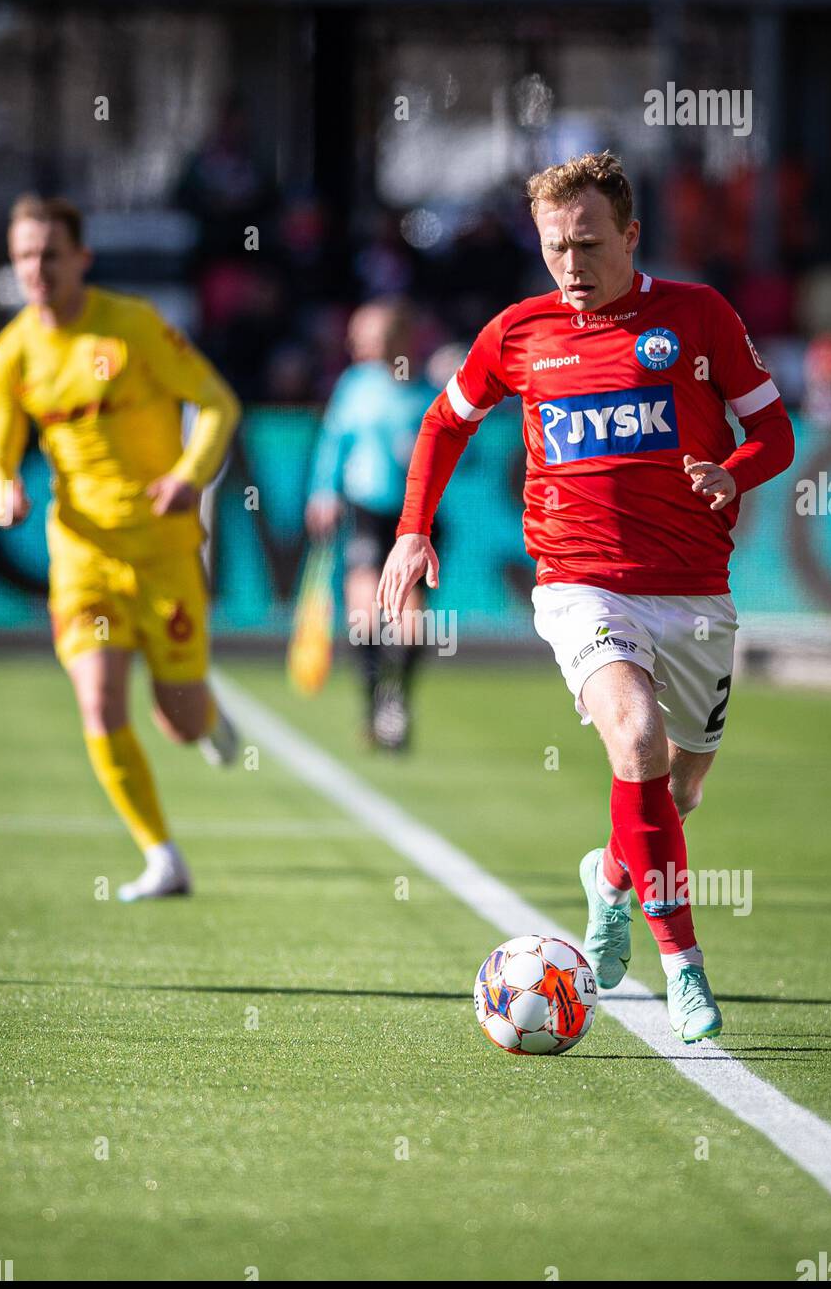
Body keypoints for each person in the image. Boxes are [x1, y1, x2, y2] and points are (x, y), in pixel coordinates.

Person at [377, 151, 795, 1042]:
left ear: (631, 235)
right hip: (579, 585)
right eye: (555, 247)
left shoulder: (697, 316)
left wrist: (731, 471)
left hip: (693, 594)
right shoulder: (519, 333)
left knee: (673, 793)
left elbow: (775, 430)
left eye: (588, 244)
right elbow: (445, 420)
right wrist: (413, 529)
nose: (570, 265)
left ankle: (609, 881)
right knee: (635, 738)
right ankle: (683, 968)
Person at [0, 195, 241, 901]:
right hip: (81, 555)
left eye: (49, 254)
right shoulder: (9, 356)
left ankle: (207, 718)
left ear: (80, 259)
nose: (36, 268)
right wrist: (0, 489)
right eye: (25, 255)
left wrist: (188, 475)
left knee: (180, 718)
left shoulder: (134, 327)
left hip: (162, 551)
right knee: (98, 704)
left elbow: (217, 402)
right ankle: (161, 856)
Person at [305, 298, 435, 749]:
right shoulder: (355, 384)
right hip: (365, 512)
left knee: (410, 623)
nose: (355, 342)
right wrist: (323, 492)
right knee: (364, 615)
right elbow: (333, 441)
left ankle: (397, 699)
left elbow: (463, 453)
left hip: (415, 522)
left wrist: (417, 452)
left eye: (368, 334)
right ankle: (372, 706)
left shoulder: (427, 392)